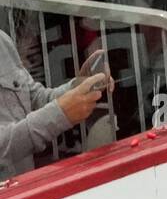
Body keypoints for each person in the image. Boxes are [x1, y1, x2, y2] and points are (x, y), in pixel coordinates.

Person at [0, 28, 115, 181]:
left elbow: (34, 98)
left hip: (22, 188)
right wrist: (60, 114)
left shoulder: (2, 40)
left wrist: (77, 87)